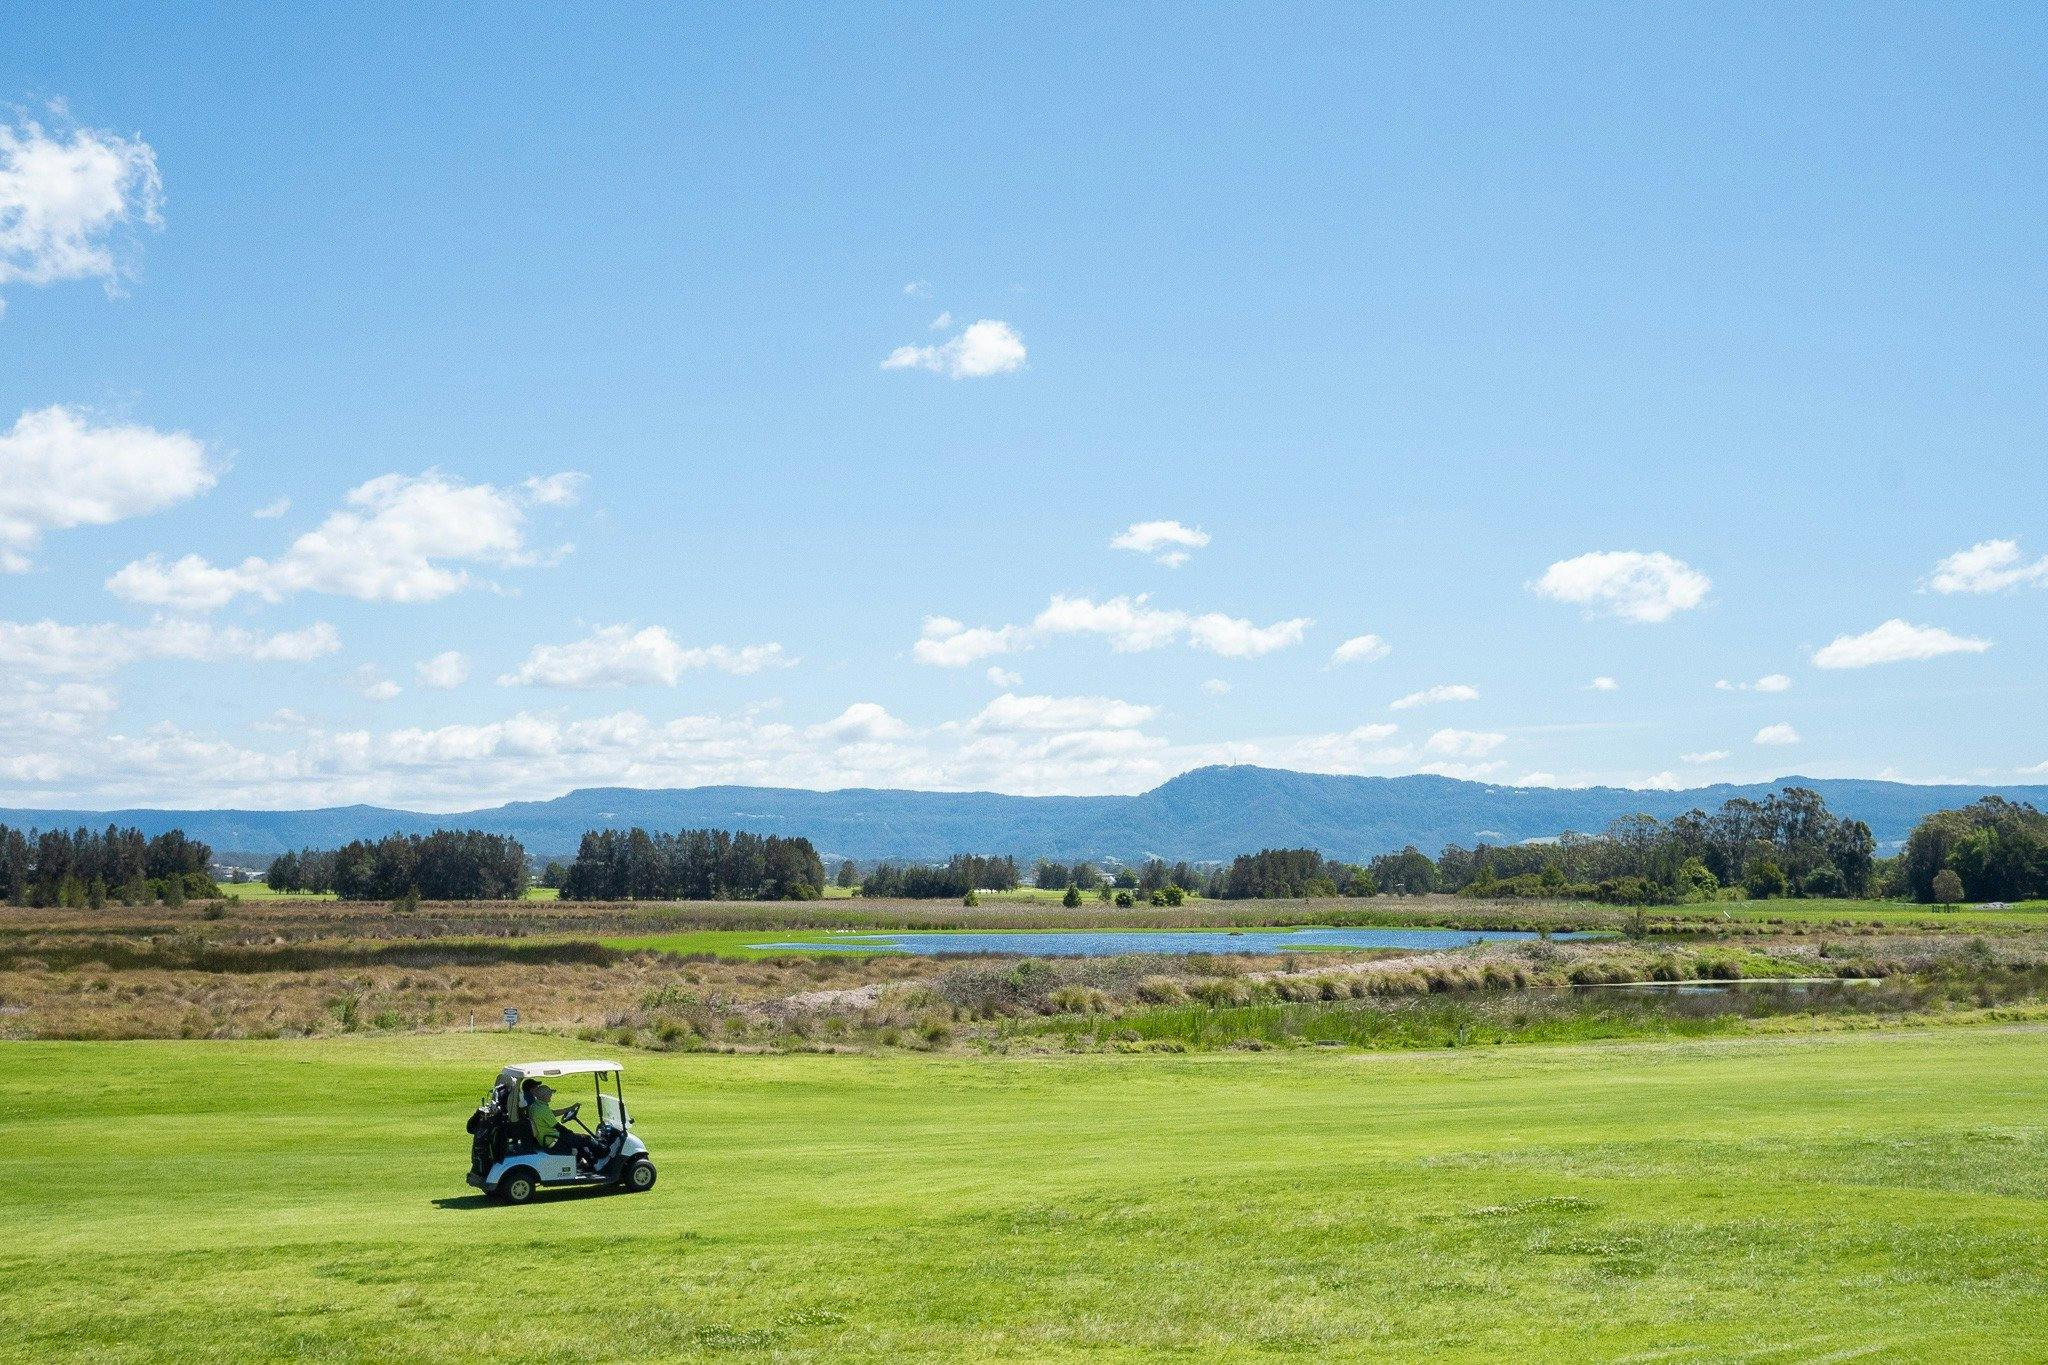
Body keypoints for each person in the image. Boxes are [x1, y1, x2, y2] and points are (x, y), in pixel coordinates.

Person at [522, 1079, 600, 1166]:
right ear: (544, 1096)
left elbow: (553, 1113)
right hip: (552, 1139)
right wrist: (570, 1133)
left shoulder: (536, 1106)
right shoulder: (542, 1110)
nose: (551, 1096)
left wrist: (570, 1108)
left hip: (547, 1137)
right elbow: (557, 1126)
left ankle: (590, 1163)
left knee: (578, 1141)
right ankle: (602, 1153)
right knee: (586, 1138)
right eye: (549, 1094)